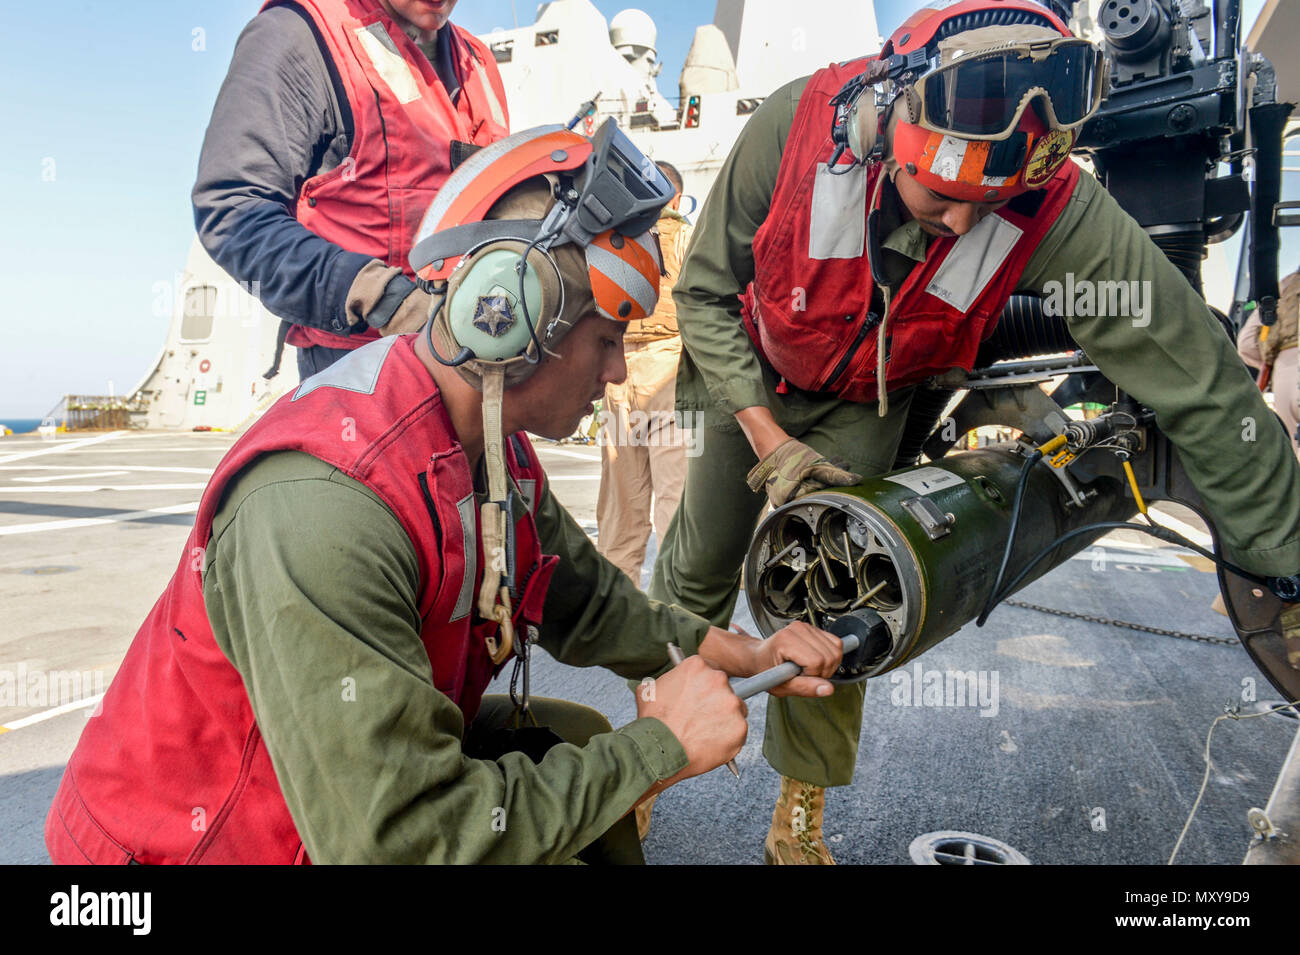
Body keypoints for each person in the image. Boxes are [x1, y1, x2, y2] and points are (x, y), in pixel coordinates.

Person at [45, 125, 846, 865]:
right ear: (511, 316)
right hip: (196, 846)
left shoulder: (489, 447)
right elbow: (397, 841)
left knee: (567, 738)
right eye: (606, 341)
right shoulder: (325, 507)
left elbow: (589, 599)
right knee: (595, 768)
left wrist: (736, 649)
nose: (614, 374)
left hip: (332, 796)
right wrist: (656, 747)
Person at [648, 0, 1300, 864]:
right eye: (944, 197)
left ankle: (795, 818)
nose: (961, 225)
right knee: (695, 572)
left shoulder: (1053, 199)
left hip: (867, 404)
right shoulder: (797, 123)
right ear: (884, 131)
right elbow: (701, 293)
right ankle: (645, 769)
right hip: (748, 376)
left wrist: (1288, 570)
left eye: (988, 206)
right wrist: (767, 437)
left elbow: (1201, 377)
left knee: (845, 599)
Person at [192, 0, 509, 380]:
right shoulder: (297, 34)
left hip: (484, 360)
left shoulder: (478, 62)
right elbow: (231, 210)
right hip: (359, 372)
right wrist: (378, 296)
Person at [596, 160, 692, 584]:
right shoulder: (687, 237)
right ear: (676, 199)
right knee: (678, 502)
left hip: (618, 376)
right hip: (673, 376)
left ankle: (618, 618)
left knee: (620, 509)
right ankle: (683, 615)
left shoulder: (611, 240)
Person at [1237, 268, 1299, 456]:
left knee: (1293, 456)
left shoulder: (1286, 284)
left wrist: (1272, 367)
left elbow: (1246, 343)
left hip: (1283, 375)